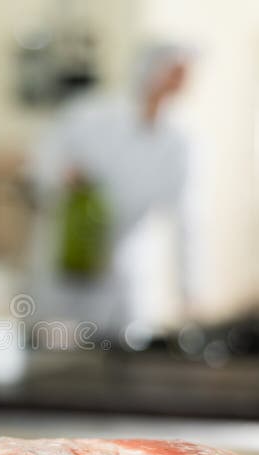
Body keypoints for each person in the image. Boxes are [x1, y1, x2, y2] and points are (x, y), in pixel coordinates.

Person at [28, 43, 200, 335]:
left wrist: (189, 292)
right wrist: (61, 175)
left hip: (122, 272)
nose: (182, 80)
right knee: (56, 351)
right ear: (153, 70)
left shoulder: (177, 145)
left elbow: (188, 220)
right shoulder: (91, 116)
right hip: (66, 263)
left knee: (122, 354)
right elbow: (41, 163)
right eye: (175, 71)